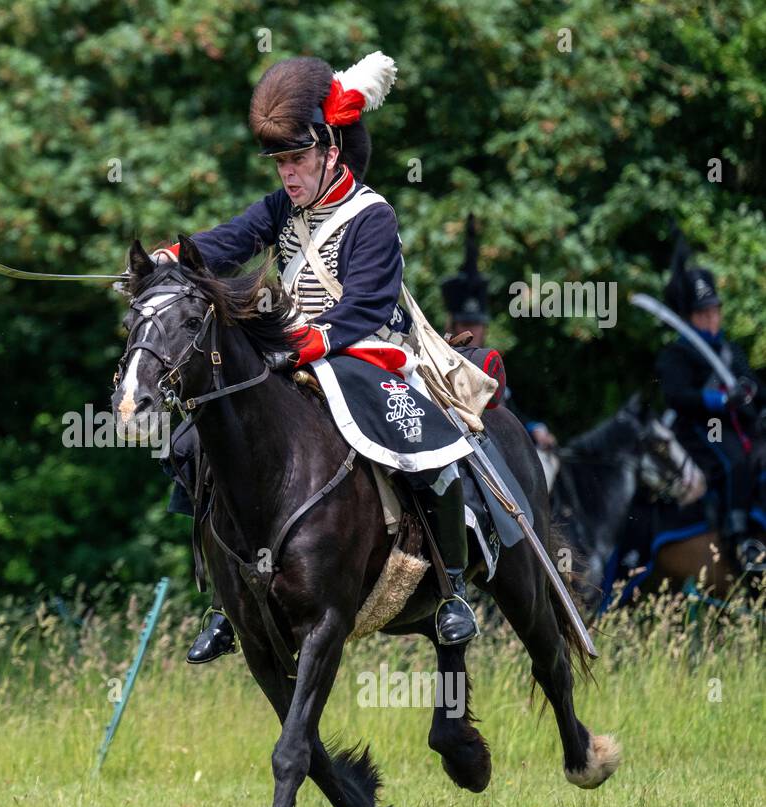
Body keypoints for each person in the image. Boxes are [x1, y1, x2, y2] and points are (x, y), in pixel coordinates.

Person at [150, 52, 480, 663]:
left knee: (429, 444)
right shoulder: (281, 209)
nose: (288, 176)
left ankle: (454, 588)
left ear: (331, 150)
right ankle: (226, 602)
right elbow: (224, 244)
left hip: (368, 351)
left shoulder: (372, 215)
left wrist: (309, 342)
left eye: (296, 160)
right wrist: (164, 262)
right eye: (280, 164)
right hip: (293, 356)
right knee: (197, 441)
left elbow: (366, 306)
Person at [655, 231, 766, 570]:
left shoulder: (731, 350)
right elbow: (677, 397)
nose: (711, 319)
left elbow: (752, 384)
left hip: (741, 425)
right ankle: (738, 536)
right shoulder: (676, 354)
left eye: (714, 311)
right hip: (699, 429)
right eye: (703, 314)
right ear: (689, 317)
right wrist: (717, 400)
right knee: (734, 462)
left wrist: (747, 391)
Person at [441, 215, 557, 452]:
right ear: (453, 325)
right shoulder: (440, 361)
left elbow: (511, 415)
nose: (471, 331)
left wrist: (535, 428)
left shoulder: (491, 363)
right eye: (465, 324)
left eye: (477, 325)